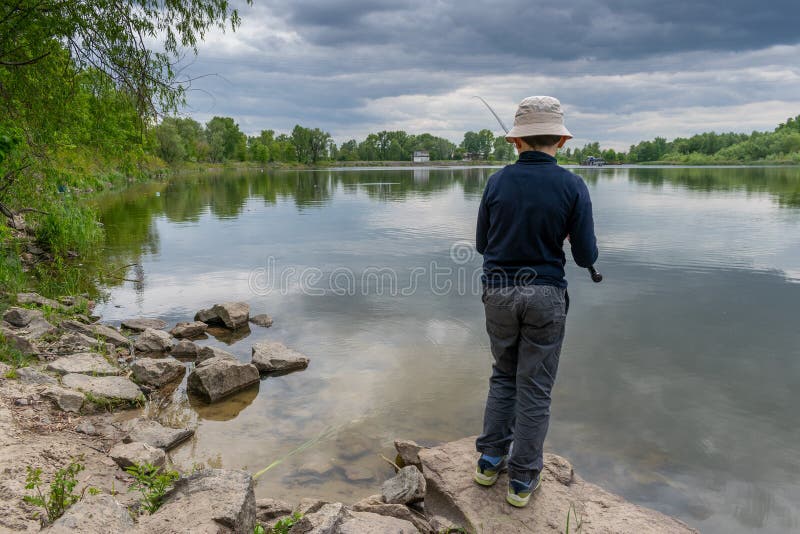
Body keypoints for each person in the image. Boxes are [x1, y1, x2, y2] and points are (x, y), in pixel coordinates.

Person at [474, 96, 598, 508]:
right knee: (536, 388)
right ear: (561, 141)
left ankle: (490, 461)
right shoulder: (573, 186)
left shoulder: (496, 182)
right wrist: (560, 237)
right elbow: (585, 256)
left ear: (516, 142)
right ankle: (523, 480)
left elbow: (481, 244)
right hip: (545, 295)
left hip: (498, 291)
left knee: (503, 375)